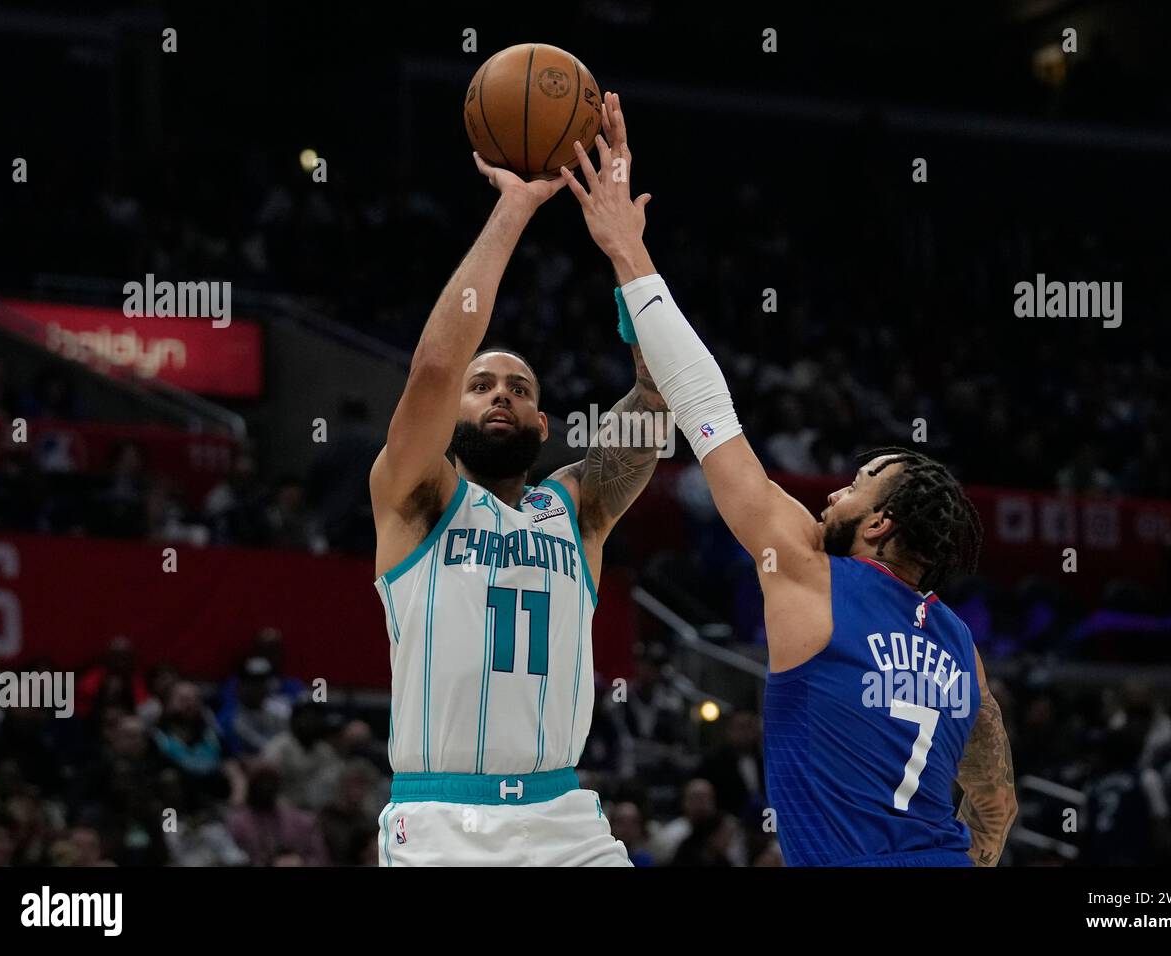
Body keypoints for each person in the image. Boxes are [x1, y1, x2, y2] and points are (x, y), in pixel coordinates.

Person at [561, 92, 1017, 866]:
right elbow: (997, 801)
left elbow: (707, 408)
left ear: (881, 526)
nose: (835, 490)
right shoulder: (960, 645)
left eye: (860, 483)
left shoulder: (808, 573)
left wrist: (628, 254)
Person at [367, 97, 668, 866]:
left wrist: (628, 255)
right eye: (484, 385)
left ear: (541, 427)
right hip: (440, 819)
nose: (501, 393)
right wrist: (515, 206)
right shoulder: (417, 499)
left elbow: (660, 397)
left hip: (565, 817)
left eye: (520, 389)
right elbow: (435, 365)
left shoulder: (578, 508)